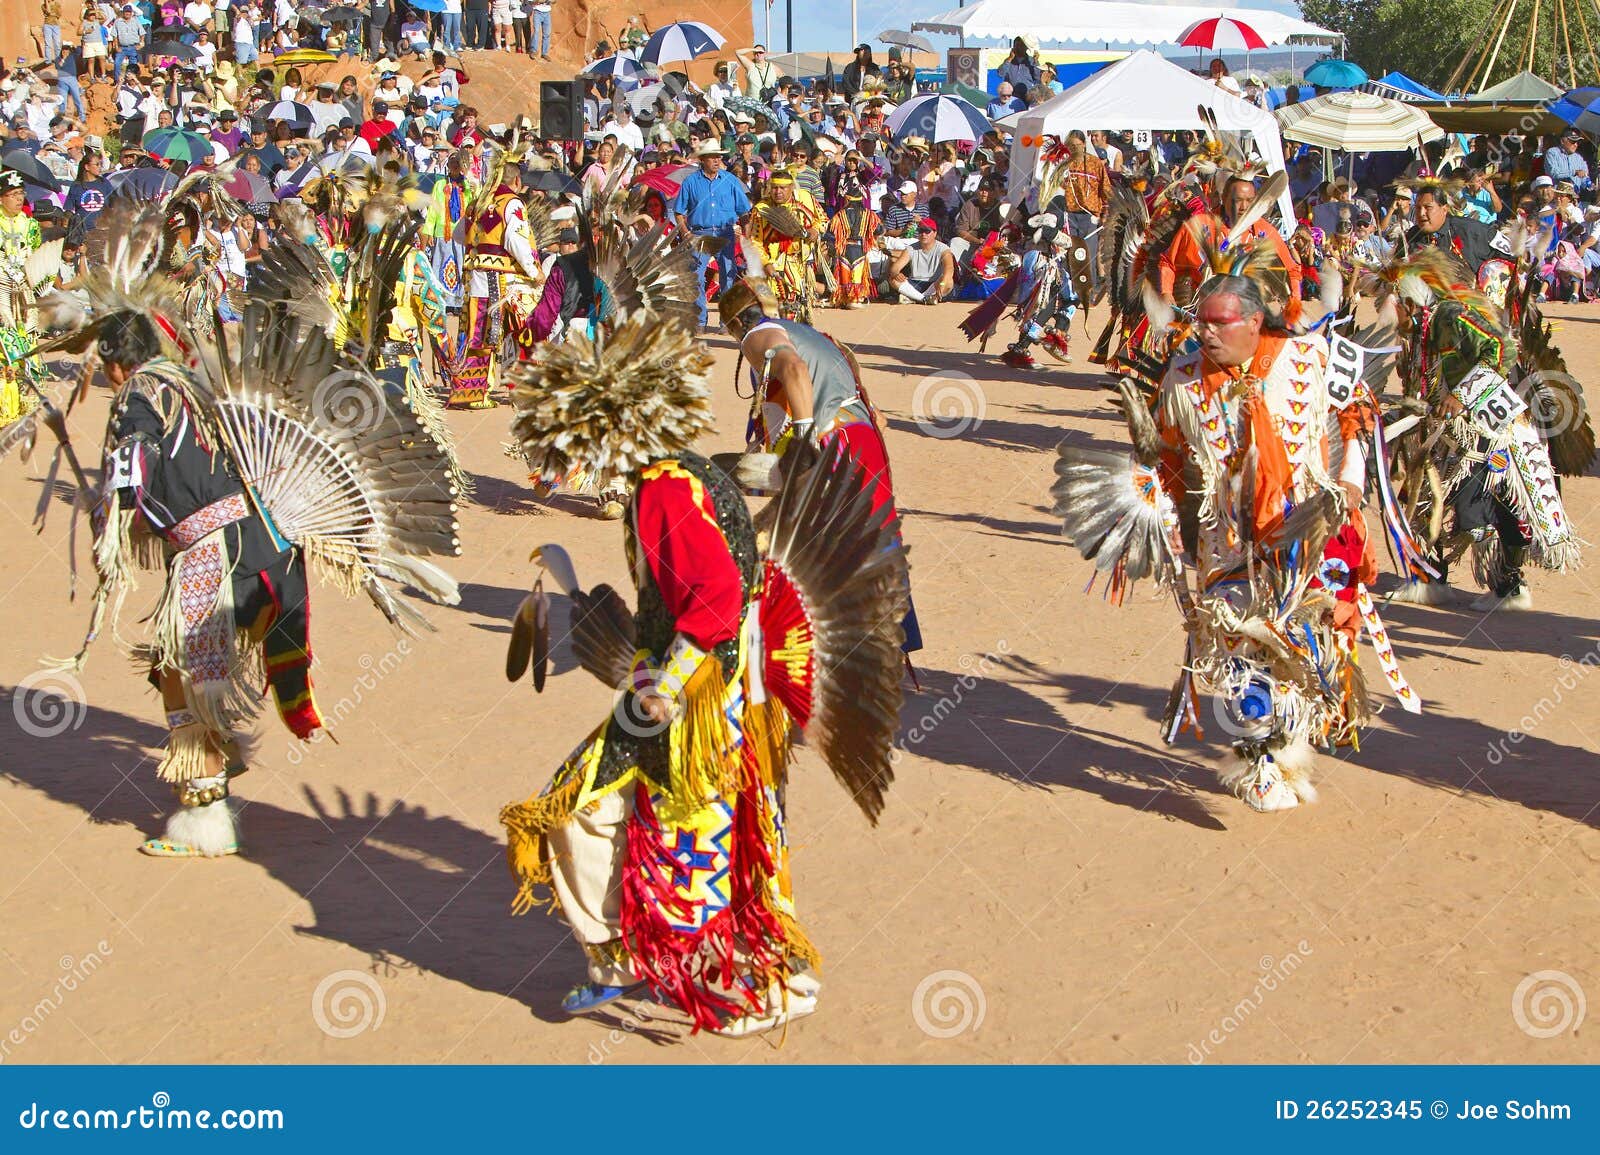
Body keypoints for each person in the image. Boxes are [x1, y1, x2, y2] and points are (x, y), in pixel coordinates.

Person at [499, 303, 906, 1035]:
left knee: (627, 817)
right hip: (721, 688)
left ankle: (749, 980)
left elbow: (716, 596)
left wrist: (665, 681)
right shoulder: (680, 471)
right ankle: (636, 955)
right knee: (665, 818)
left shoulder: (662, 488)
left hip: (703, 701)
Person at [1059, 267, 1412, 813]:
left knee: (1305, 650)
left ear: (1254, 321)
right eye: (1201, 322)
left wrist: (1349, 484)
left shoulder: (1310, 359)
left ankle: (1287, 745)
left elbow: (1356, 414)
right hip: (1227, 540)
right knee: (1237, 642)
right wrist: (1146, 483)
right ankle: (1261, 758)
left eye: (1220, 324)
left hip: (1309, 529)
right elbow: (1171, 462)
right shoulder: (1181, 379)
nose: (1207, 333)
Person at [1383, 250, 1583, 611]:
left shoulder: (1450, 313)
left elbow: (1500, 348)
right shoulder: (1431, 323)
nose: (1391, 316)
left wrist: (1462, 396)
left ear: (1409, 301)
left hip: (1484, 427)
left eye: (1393, 306)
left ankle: (1502, 586)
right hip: (1461, 429)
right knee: (1431, 497)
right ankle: (1434, 580)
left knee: (1477, 504)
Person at [450, 150, 546, 408]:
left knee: (477, 331)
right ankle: (525, 387)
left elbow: (458, 235)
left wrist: (481, 247)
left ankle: (472, 393)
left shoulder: (479, 202)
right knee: (527, 327)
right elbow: (515, 240)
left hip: (474, 275)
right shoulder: (512, 203)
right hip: (503, 278)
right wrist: (534, 271)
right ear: (516, 182)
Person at [672, 138, 751, 330]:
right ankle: (700, 319)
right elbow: (679, 211)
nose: (716, 160)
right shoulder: (691, 182)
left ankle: (726, 320)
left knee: (729, 276)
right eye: (712, 157)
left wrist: (747, 238)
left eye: (718, 157)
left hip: (726, 232)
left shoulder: (731, 181)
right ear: (703, 160)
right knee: (696, 277)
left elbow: (744, 212)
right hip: (700, 234)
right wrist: (685, 233)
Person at [749, 170, 823, 321]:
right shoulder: (761, 209)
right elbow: (755, 241)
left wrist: (815, 230)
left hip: (798, 262)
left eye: (783, 188)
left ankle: (794, 336)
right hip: (773, 262)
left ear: (791, 188)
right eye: (774, 188)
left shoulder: (806, 200)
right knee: (773, 304)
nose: (778, 192)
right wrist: (766, 263)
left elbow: (822, 219)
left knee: (795, 303)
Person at [0, 171, 43, 425]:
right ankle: (5, 406)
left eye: (21, 194)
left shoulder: (31, 225)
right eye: (12, 194)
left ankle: (25, 400)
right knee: (5, 347)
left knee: (26, 342)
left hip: (24, 296)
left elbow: (36, 259)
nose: (18, 199)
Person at [825, 189, 878, 308]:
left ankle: (844, 298)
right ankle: (856, 298)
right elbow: (879, 229)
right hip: (860, 248)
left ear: (847, 199)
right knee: (857, 273)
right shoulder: (870, 215)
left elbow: (830, 233)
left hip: (844, 248)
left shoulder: (839, 215)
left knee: (845, 272)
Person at [888, 216, 955, 303]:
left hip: (934, 284)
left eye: (927, 231)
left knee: (949, 282)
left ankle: (915, 298)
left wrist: (942, 284)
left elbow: (949, 269)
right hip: (914, 283)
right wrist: (896, 273)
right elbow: (894, 268)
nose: (923, 234)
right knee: (892, 279)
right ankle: (924, 299)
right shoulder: (911, 248)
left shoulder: (943, 248)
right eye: (921, 231)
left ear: (935, 233)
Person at [1542, 130, 1590, 195]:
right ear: (1562, 141)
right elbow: (1553, 172)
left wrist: (1590, 185)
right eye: (1573, 142)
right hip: (1557, 196)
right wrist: (1574, 172)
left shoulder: (1579, 158)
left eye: (1577, 142)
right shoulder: (1552, 152)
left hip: (1575, 197)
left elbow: (1584, 179)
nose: (1575, 145)